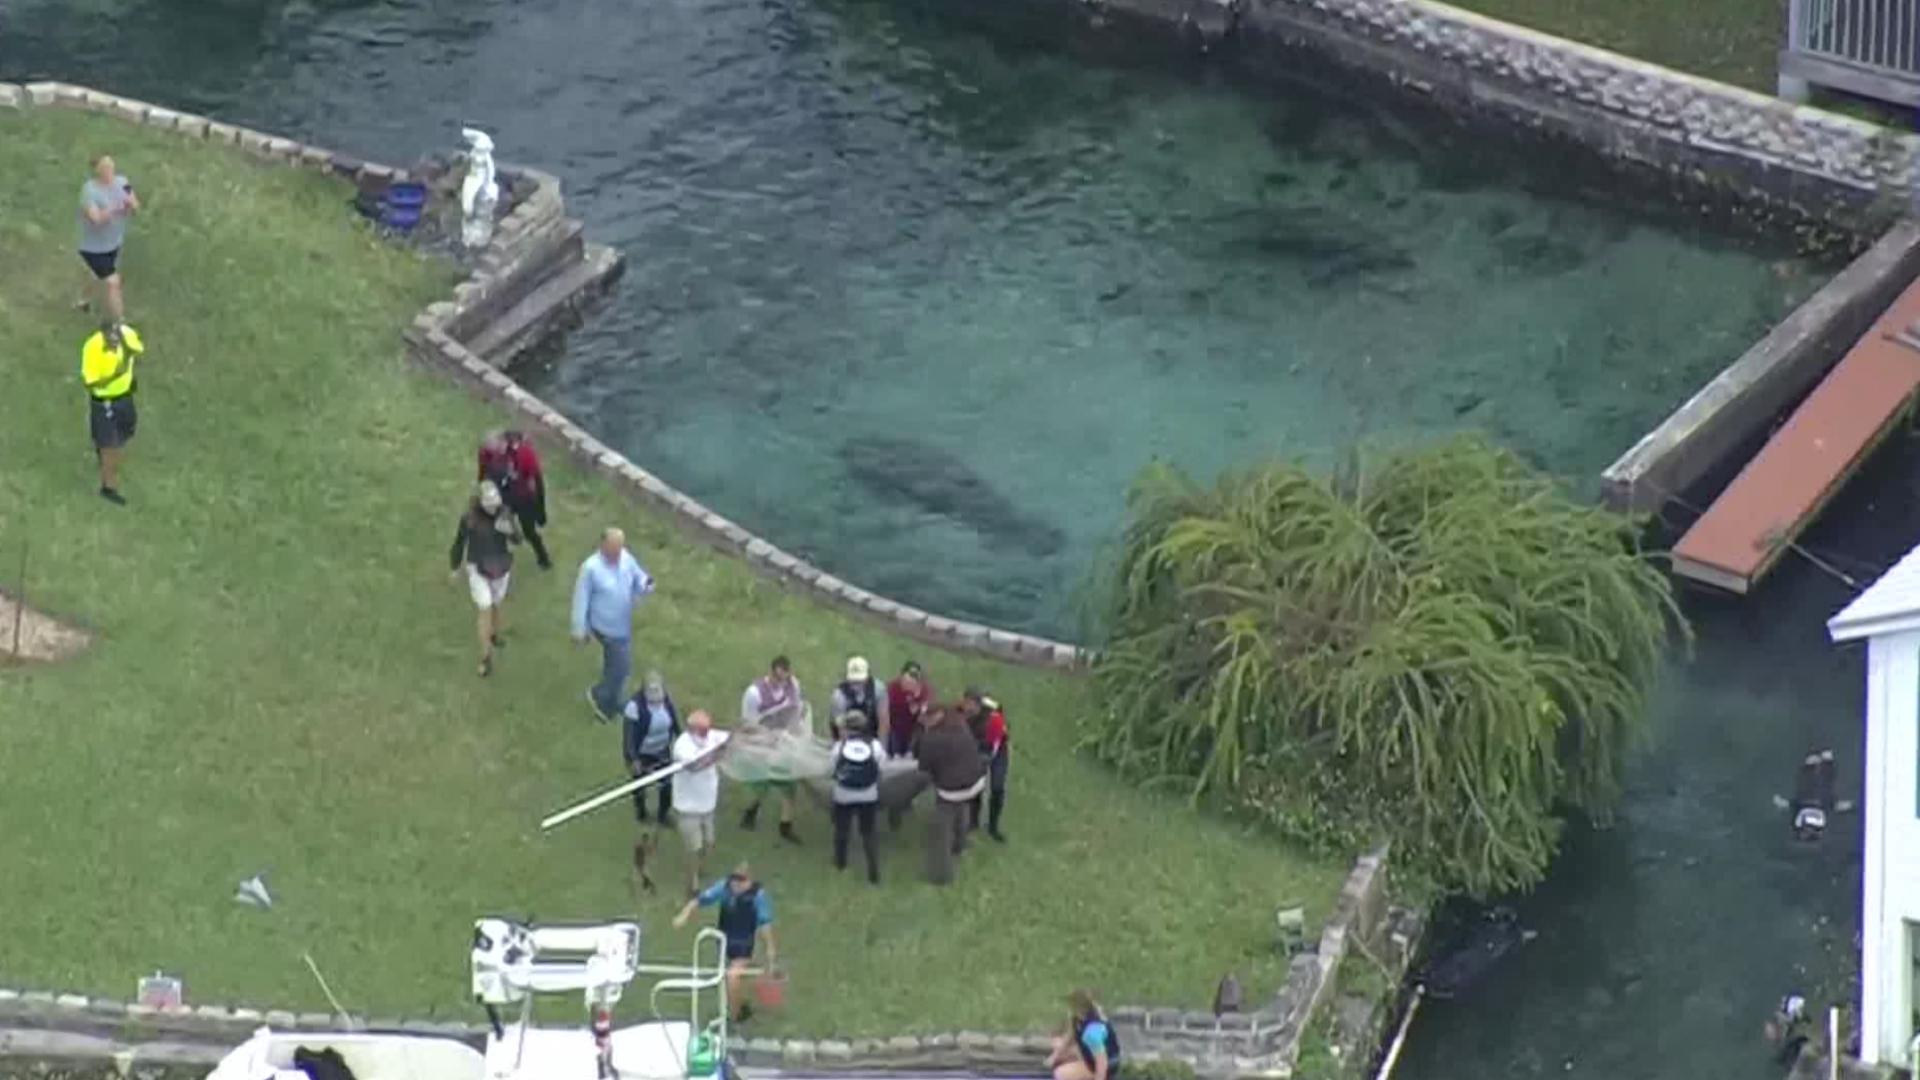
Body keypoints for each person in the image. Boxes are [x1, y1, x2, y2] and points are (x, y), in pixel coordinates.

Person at [673, 862, 776, 1022]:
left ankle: (735, 1017)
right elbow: (699, 900)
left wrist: (770, 949)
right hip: (724, 942)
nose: (736, 884)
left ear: (749, 881)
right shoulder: (723, 887)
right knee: (733, 979)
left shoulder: (758, 896)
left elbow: (765, 924)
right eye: (734, 879)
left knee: (732, 977)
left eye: (741, 880)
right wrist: (683, 915)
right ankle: (741, 1004)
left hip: (745, 944)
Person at [572, 528, 655, 722]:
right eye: (613, 551)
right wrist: (579, 628)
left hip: (622, 622)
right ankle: (600, 698)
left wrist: (645, 584)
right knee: (621, 667)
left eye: (619, 550)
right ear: (602, 546)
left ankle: (614, 700)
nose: (617, 556)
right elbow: (581, 598)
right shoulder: (590, 568)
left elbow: (638, 576)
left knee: (616, 666)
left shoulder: (625, 558)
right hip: (606, 626)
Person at [448, 480, 520, 677]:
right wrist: (455, 567)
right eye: (488, 500)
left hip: (500, 567)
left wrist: (510, 531)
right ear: (480, 501)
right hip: (478, 568)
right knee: (485, 607)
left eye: (495, 498)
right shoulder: (469, 519)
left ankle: (495, 633)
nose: (493, 503)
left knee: (496, 603)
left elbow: (518, 539)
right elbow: (459, 543)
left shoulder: (505, 514)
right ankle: (486, 657)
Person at [737, 655, 807, 844]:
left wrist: (792, 732)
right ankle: (751, 811)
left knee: (789, 783)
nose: (781, 683)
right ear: (771, 673)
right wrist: (767, 737)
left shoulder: (793, 685)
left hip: (784, 742)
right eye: (777, 678)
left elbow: (796, 710)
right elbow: (748, 724)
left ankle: (786, 825)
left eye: (784, 678)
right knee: (762, 783)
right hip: (763, 744)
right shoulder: (754, 694)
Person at [913, 706, 986, 885]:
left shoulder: (930, 739)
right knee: (962, 808)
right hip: (976, 783)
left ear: (930, 719)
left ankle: (941, 875)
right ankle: (960, 843)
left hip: (951, 790)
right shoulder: (961, 726)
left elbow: (924, 768)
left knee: (941, 829)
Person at [79, 319, 146, 505]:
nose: (115, 340)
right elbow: (90, 383)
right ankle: (108, 487)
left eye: (118, 335)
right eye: (111, 337)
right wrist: (113, 376)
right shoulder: (92, 348)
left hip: (124, 398)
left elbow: (138, 350)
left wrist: (129, 355)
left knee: (128, 430)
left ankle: (104, 449)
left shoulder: (127, 336)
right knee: (110, 444)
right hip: (104, 401)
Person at [670, 709, 726, 897]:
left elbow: (729, 739)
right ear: (691, 729)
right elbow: (694, 766)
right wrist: (717, 755)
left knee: (709, 842)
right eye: (702, 730)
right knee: (694, 847)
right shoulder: (682, 746)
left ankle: (700, 868)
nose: (706, 733)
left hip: (708, 804)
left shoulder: (712, 736)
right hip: (688, 808)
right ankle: (692, 883)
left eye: (707, 728)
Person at [77, 154, 139, 321]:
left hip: (113, 243)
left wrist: (132, 205)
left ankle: (83, 302)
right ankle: (119, 323)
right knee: (113, 282)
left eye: (111, 167)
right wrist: (116, 208)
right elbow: (95, 218)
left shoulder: (123, 182)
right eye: (105, 168)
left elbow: (134, 203)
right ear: (97, 171)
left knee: (95, 276)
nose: (109, 171)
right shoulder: (89, 191)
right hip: (92, 248)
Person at [477, 430, 551, 570]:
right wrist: (485, 488)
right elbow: (483, 473)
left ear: (503, 442)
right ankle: (514, 538)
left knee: (529, 532)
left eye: (497, 448)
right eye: (492, 450)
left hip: (524, 499)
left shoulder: (523, 453)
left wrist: (540, 510)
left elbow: (536, 480)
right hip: (504, 498)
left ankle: (543, 558)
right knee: (500, 525)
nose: (496, 452)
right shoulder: (486, 454)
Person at [829, 713, 887, 884]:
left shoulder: (839, 747)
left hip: (843, 795)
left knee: (842, 830)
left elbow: (832, 769)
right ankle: (873, 871)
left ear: (847, 729)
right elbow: (882, 768)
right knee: (869, 833)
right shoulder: (875, 746)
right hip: (868, 795)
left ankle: (840, 863)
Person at [623, 671, 680, 825]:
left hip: (662, 751)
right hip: (642, 754)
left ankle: (663, 815)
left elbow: (675, 724)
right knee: (640, 786)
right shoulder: (634, 707)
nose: (656, 695)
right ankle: (641, 813)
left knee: (667, 784)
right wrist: (633, 759)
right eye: (651, 691)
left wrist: (683, 742)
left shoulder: (667, 701)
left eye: (658, 690)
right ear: (644, 691)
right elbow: (629, 737)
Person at [964, 689, 1011, 842]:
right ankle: (973, 821)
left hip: (997, 749)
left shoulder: (994, 718)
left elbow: (994, 746)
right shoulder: (961, 711)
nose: (968, 709)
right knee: (976, 784)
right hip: (978, 745)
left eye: (971, 707)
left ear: (979, 705)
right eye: (966, 705)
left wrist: (984, 758)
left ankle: (993, 826)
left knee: (997, 787)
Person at [1046, 990, 1121, 1080]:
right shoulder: (1077, 1018)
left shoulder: (1092, 1032)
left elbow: (1102, 1063)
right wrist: (1055, 1056)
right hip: (1090, 1054)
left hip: (1106, 1065)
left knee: (1060, 1074)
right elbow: (1070, 1036)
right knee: (1057, 1043)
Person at [828, 655, 888, 742]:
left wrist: (881, 746)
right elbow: (840, 728)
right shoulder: (838, 696)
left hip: (872, 734)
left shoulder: (878, 690)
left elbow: (883, 721)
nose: (856, 684)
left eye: (859, 680)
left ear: (867, 677)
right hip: (847, 734)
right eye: (853, 680)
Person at [884, 660, 933, 758]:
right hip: (895, 726)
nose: (913, 677)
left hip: (913, 727)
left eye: (915, 675)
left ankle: (911, 751)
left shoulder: (923, 689)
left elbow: (925, 707)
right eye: (910, 674)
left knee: (919, 729)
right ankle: (895, 753)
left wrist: (919, 703)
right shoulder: (893, 687)